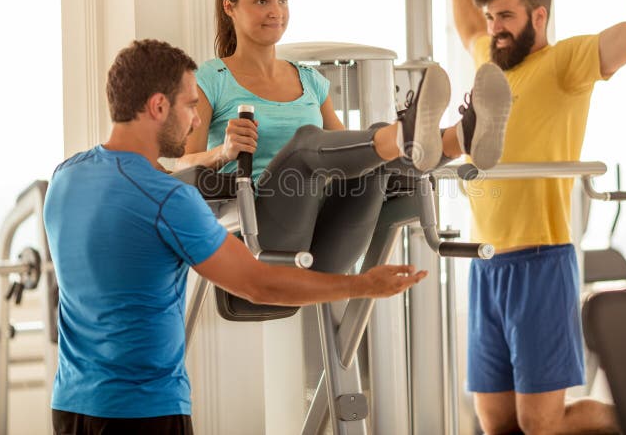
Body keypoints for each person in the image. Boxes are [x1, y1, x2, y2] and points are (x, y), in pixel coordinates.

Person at [43, 39, 432, 434]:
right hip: (142, 411)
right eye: (190, 106)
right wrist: (365, 284)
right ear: (159, 107)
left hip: (71, 404)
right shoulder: (166, 198)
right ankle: (418, 137)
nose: (197, 121)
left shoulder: (66, 176)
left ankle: (439, 139)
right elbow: (258, 284)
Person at [432, 0, 626, 433]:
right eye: (494, 19)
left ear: (540, 16)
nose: (495, 29)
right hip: (486, 261)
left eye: (506, 17)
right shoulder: (492, 65)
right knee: (497, 423)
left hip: (540, 260)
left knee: (542, 423)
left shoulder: (564, 65)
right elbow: (468, 22)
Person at [175, 0, 513, 278]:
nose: (276, 11)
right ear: (229, 6)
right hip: (261, 239)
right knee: (307, 144)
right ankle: (420, 135)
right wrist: (223, 153)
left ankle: (455, 138)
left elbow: (347, 151)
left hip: (330, 242)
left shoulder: (309, 80)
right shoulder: (210, 78)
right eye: (262, 1)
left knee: (370, 150)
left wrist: (383, 138)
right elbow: (178, 165)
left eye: (283, 0)